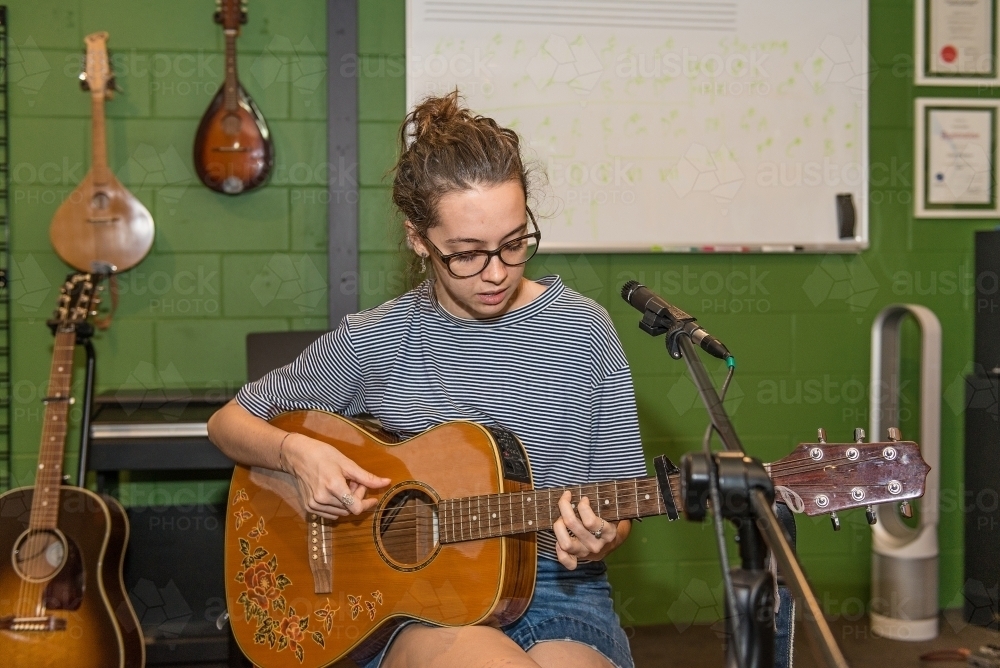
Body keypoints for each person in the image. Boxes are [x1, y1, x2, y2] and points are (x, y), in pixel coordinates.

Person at [207, 90, 648, 668]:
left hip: (560, 592)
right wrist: (296, 453)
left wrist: (604, 534)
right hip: (415, 606)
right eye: (466, 253)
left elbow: (620, 505)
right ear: (419, 239)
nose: (496, 271)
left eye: (514, 244)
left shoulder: (582, 327)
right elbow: (227, 423)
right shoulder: (381, 337)